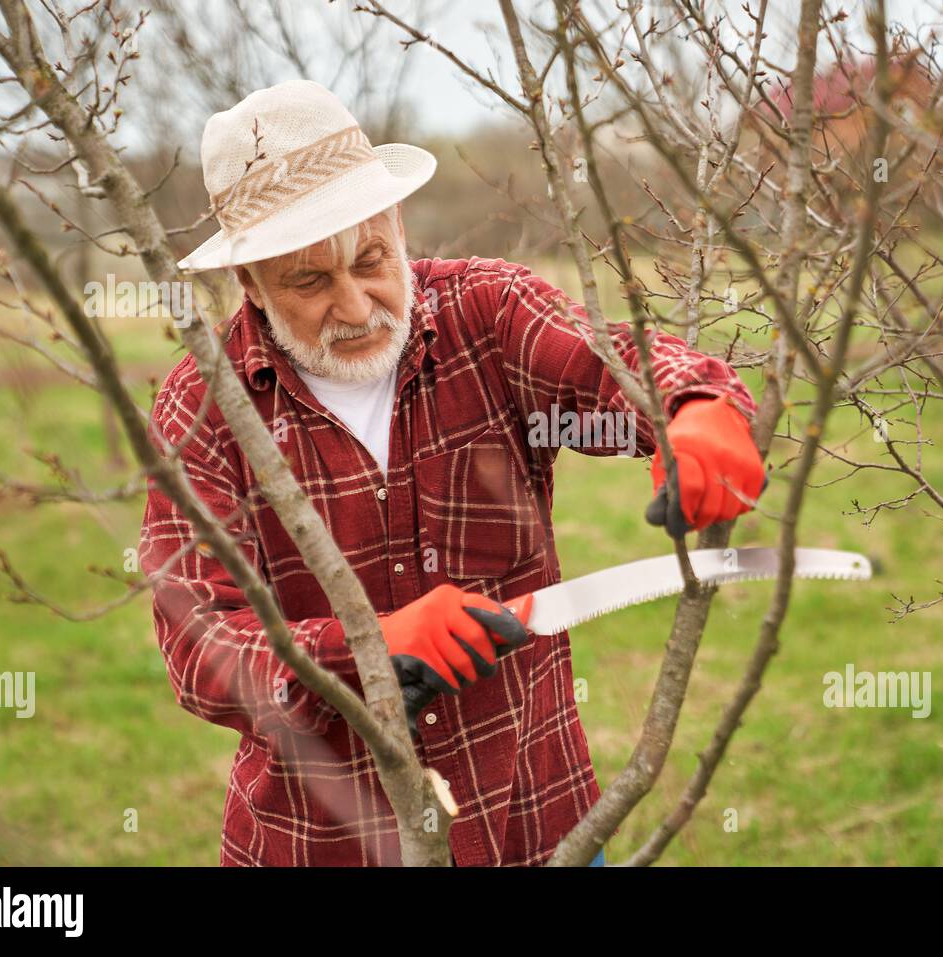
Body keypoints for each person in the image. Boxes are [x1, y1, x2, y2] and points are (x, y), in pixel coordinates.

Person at [140, 79, 765, 866]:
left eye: (371, 259)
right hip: (327, 844)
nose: (358, 303)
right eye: (309, 281)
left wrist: (695, 407)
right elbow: (199, 647)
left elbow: (610, 365)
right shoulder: (203, 404)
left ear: (396, 225)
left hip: (534, 825)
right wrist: (362, 650)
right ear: (251, 283)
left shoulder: (485, 313)